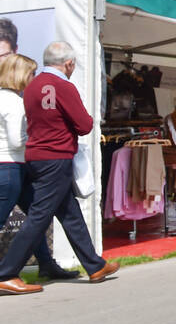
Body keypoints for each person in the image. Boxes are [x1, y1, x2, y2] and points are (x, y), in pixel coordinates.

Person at [0, 42, 118, 294]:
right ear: (69, 63)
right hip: (56, 156)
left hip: (36, 156)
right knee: (39, 216)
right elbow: (84, 125)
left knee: (70, 214)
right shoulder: (63, 86)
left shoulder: (32, 87)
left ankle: (95, 265)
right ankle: (7, 272)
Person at [0, 54, 80, 282]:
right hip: (12, 167)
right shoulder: (15, 103)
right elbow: (17, 140)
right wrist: (40, 139)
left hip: (13, 167)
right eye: (32, 73)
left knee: (37, 219)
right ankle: (10, 275)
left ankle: (46, 264)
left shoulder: (5, 99)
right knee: (33, 218)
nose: (34, 78)